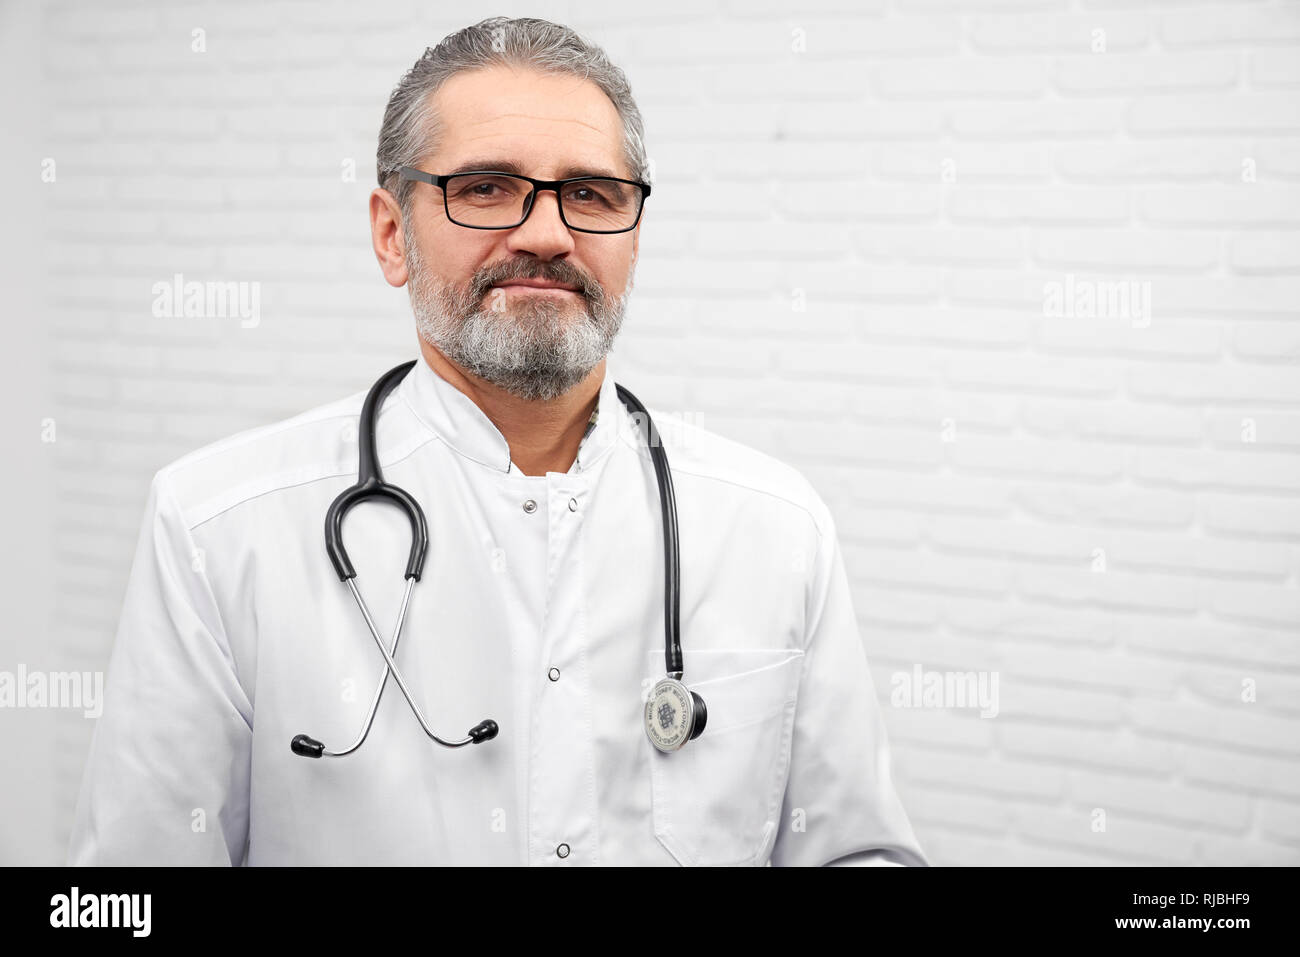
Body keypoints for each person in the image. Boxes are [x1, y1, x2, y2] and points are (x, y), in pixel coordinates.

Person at [67, 16, 927, 867]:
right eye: (485, 187)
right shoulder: (219, 530)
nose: (549, 234)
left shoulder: (773, 527)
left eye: (591, 194)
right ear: (391, 233)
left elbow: (857, 851)